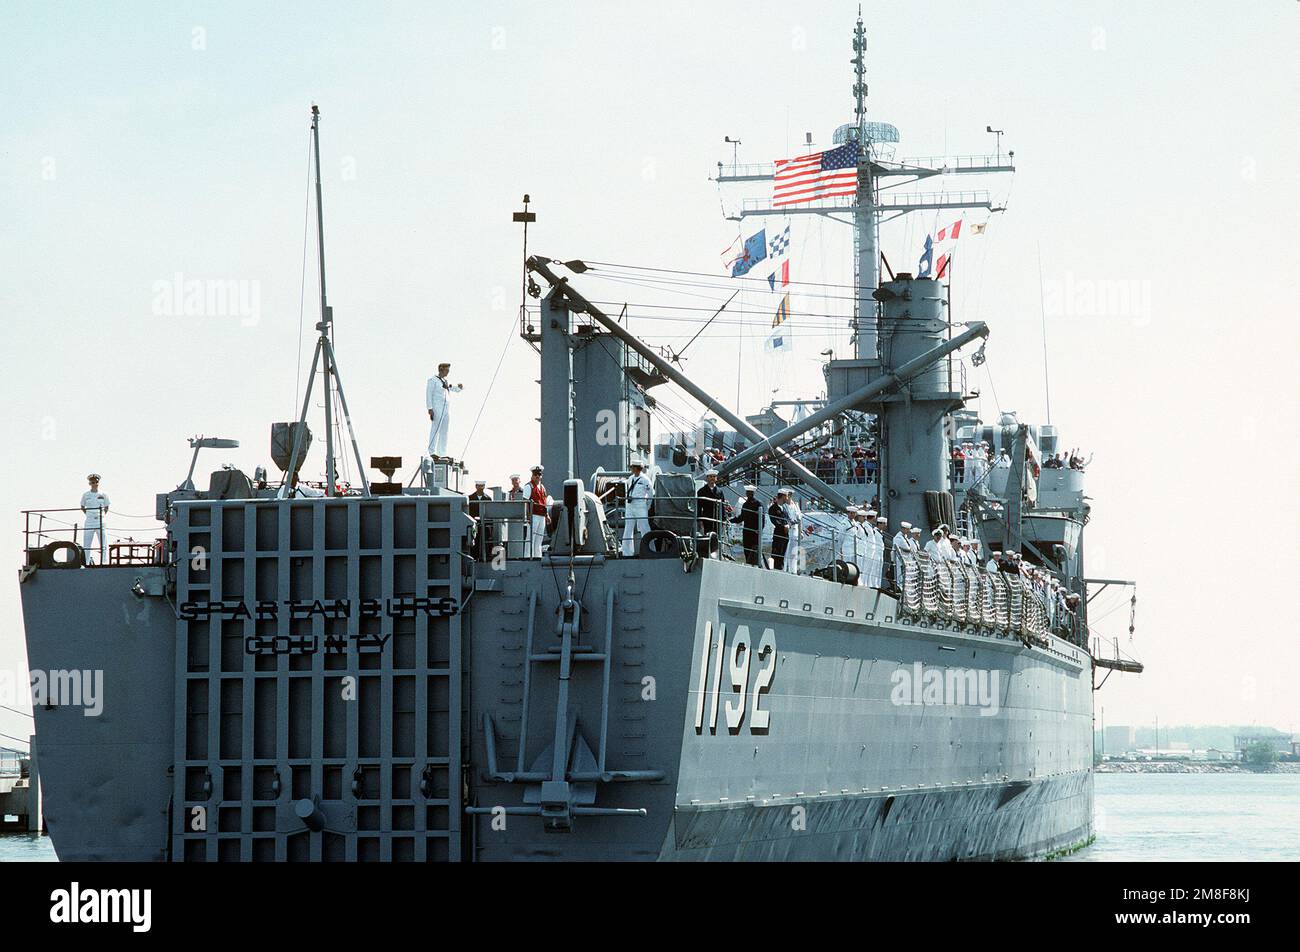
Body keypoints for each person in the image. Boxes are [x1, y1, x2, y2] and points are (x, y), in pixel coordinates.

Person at [426, 361, 464, 460]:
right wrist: (430, 408)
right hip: (437, 407)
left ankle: (442, 452)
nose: (448, 372)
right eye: (446, 370)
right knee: (436, 428)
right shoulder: (433, 380)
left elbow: (453, 388)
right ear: (441, 370)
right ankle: (432, 451)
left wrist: (459, 388)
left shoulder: (446, 381)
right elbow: (428, 394)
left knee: (444, 431)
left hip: (446, 408)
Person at [622, 458, 654, 557]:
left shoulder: (645, 480)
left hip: (640, 505)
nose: (631, 469)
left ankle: (650, 550)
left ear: (637, 468)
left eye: (632, 467)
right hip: (630, 505)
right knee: (628, 529)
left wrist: (646, 506)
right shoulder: (630, 479)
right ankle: (627, 553)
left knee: (644, 528)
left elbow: (651, 494)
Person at [80, 473, 110, 564]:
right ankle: (87, 562)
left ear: (98, 482)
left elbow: (107, 507)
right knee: (87, 544)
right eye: (92, 482)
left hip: (100, 520)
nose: (94, 483)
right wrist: (89, 514)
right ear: (89, 483)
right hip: (89, 520)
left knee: (103, 543)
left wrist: (101, 515)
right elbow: (82, 506)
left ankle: (104, 562)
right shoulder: (86, 495)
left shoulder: (103, 494)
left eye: (96, 482)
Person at [696, 469, 726, 557]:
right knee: (707, 535)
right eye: (710, 477)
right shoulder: (701, 491)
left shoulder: (719, 491)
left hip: (717, 518)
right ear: (707, 478)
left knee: (717, 536)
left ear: (716, 478)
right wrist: (700, 519)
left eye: (714, 477)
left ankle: (716, 552)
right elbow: (699, 506)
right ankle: (707, 552)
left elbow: (722, 506)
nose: (712, 479)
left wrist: (723, 519)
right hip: (707, 517)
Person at [731, 485, 763, 566]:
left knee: (755, 552)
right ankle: (748, 565)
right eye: (748, 492)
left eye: (750, 492)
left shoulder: (758, 504)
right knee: (747, 551)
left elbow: (762, 519)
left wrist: (759, 530)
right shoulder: (745, 505)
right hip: (747, 531)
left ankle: (755, 565)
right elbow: (741, 517)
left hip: (755, 532)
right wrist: (731, 520)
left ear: (753, 493)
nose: (749, 494)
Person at [526, 465, 549, 558]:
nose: (537, 477)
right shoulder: (529, 486)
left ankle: (537, 557)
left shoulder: (542, 487)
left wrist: (547, 515)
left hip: (542, 516)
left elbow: (544, 502)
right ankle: (527, 557)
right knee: (531, 538)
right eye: (535, 475)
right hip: (534, 515)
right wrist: (528, 517)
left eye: (539, 475)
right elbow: (526, 503)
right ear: (532, 476)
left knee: (539, 539)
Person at [467, 479, 491, 559]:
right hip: (474, 523)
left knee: (486, 538)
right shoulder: (470, 498)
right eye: (479, 486)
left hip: (484, 523)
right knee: (475, 540)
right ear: (476, 486)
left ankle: (486, 556)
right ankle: (475, 557)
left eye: (482, 486)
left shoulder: (488, 498)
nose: (480, 488)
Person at [767, 490, 790, 570]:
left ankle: (781, 568)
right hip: (778, 534)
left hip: (785, 535)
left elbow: (789, 519)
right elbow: (774, 520)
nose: (787, 498)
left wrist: (788, 525)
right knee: (776, 554)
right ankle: (775, 570)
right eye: (787, 496)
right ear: (783, 496)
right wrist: (783, 526)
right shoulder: (773, 508)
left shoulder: (785, 508)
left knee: (782, 555)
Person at [782, 488, 803, 574]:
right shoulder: (783, 506)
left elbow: (800, 519)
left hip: (795, 530)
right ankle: (785, 569)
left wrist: (800, 531)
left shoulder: (795, 505)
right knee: (786, 551)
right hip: (788, 530)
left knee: (794, 552)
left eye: (788, 495)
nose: (787, 497)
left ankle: (793, 570)